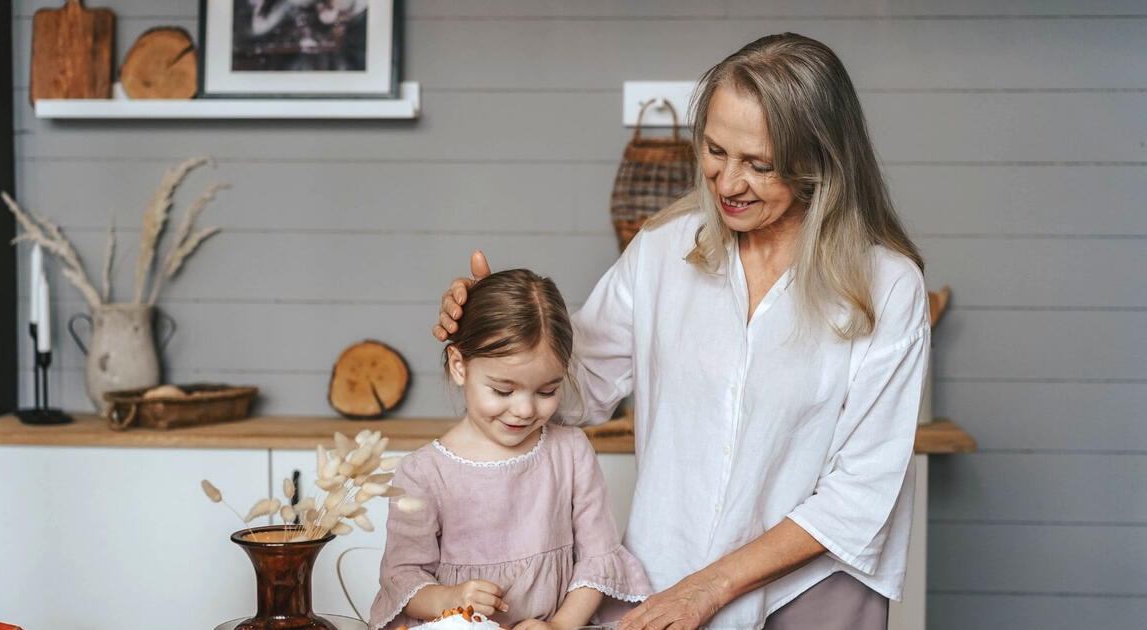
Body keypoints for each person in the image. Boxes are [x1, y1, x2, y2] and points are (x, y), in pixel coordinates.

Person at [434, 33, 930, 630]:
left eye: (759, 165)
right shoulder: (664, 251)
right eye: (715, 151)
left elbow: (861, 491)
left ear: (820, 162)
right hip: (661, 576)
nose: (726, 183)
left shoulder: (887, 287)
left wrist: (709, 589)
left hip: (811, 594)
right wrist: (502, 342)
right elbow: (580, 388)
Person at [371, 269, 652, 630]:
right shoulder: (423, 473)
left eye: (547, 391)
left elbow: (598, 559)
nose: (524, 409)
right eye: (503, 391)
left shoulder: (571, 453)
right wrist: (451, 599)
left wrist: (560, 626)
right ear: (460, 366)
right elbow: (403, 578)